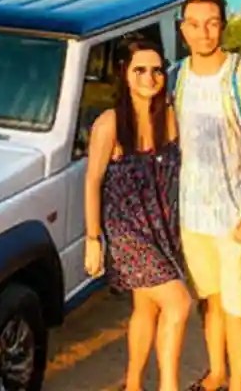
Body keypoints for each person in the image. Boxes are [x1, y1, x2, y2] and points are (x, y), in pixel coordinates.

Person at [174, 0, 241, 391]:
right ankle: (216, 371)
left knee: (238, 307)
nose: (204, 33)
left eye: (212, 23)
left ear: (223, 26)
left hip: (235, 215)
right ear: (183, 29)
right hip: (193, 215)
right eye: (195, 24)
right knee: (211, 299)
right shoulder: (176, 77)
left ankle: (237, 384)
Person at [84, 37, 191, 391]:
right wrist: (93, 239)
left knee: (146, 307)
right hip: (127, 230)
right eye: (140, 70)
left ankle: (132, 385)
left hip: (162, 226)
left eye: (157, 69)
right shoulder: (110, 123)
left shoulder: (173, 118)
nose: (150, 77)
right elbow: (92, 181)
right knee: (177, 303)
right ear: (125, 75)